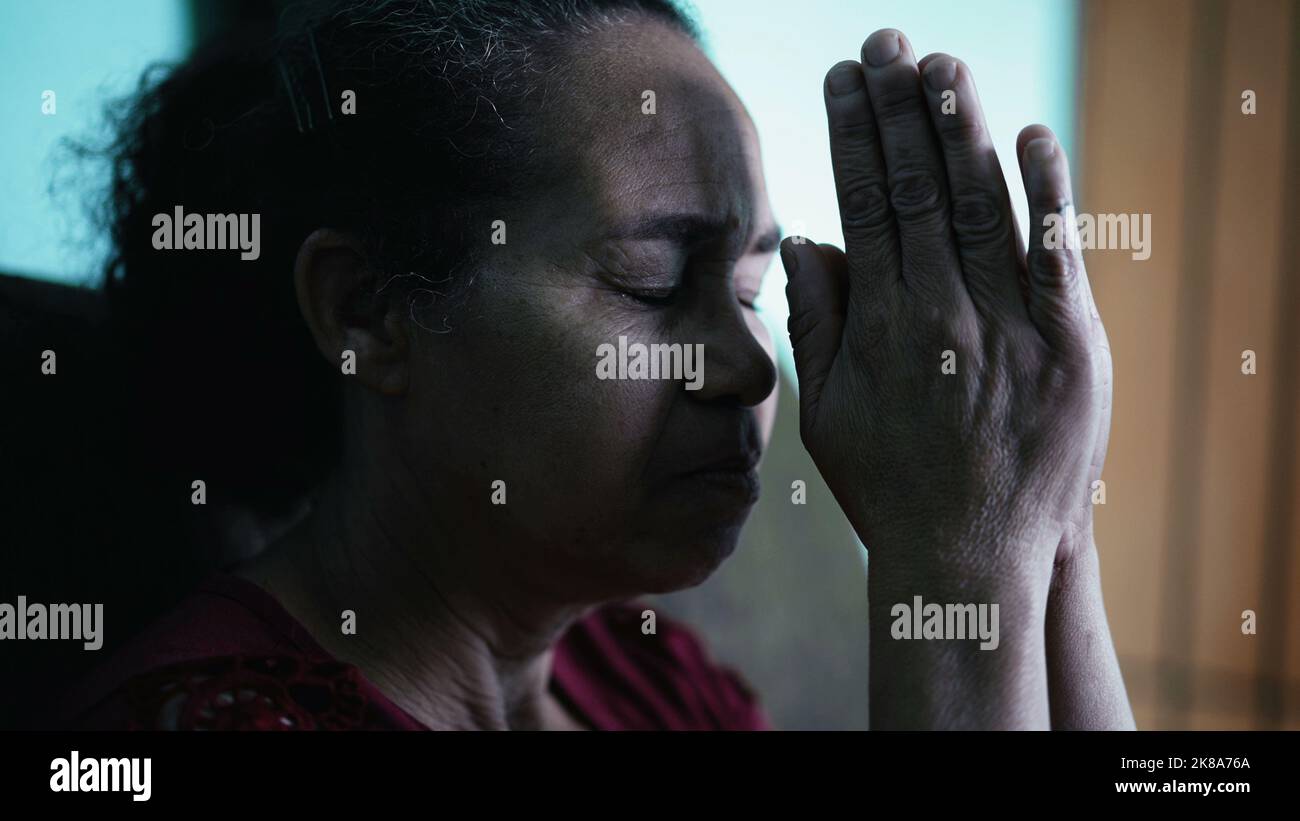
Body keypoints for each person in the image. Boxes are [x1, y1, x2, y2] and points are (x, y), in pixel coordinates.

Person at [60, 0, 1132, 730]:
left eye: (752, 290)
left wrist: (1043, 507)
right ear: (370, 311)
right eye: (656, 281)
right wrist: (956, 552)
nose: (752, 370)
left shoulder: (648, 676)